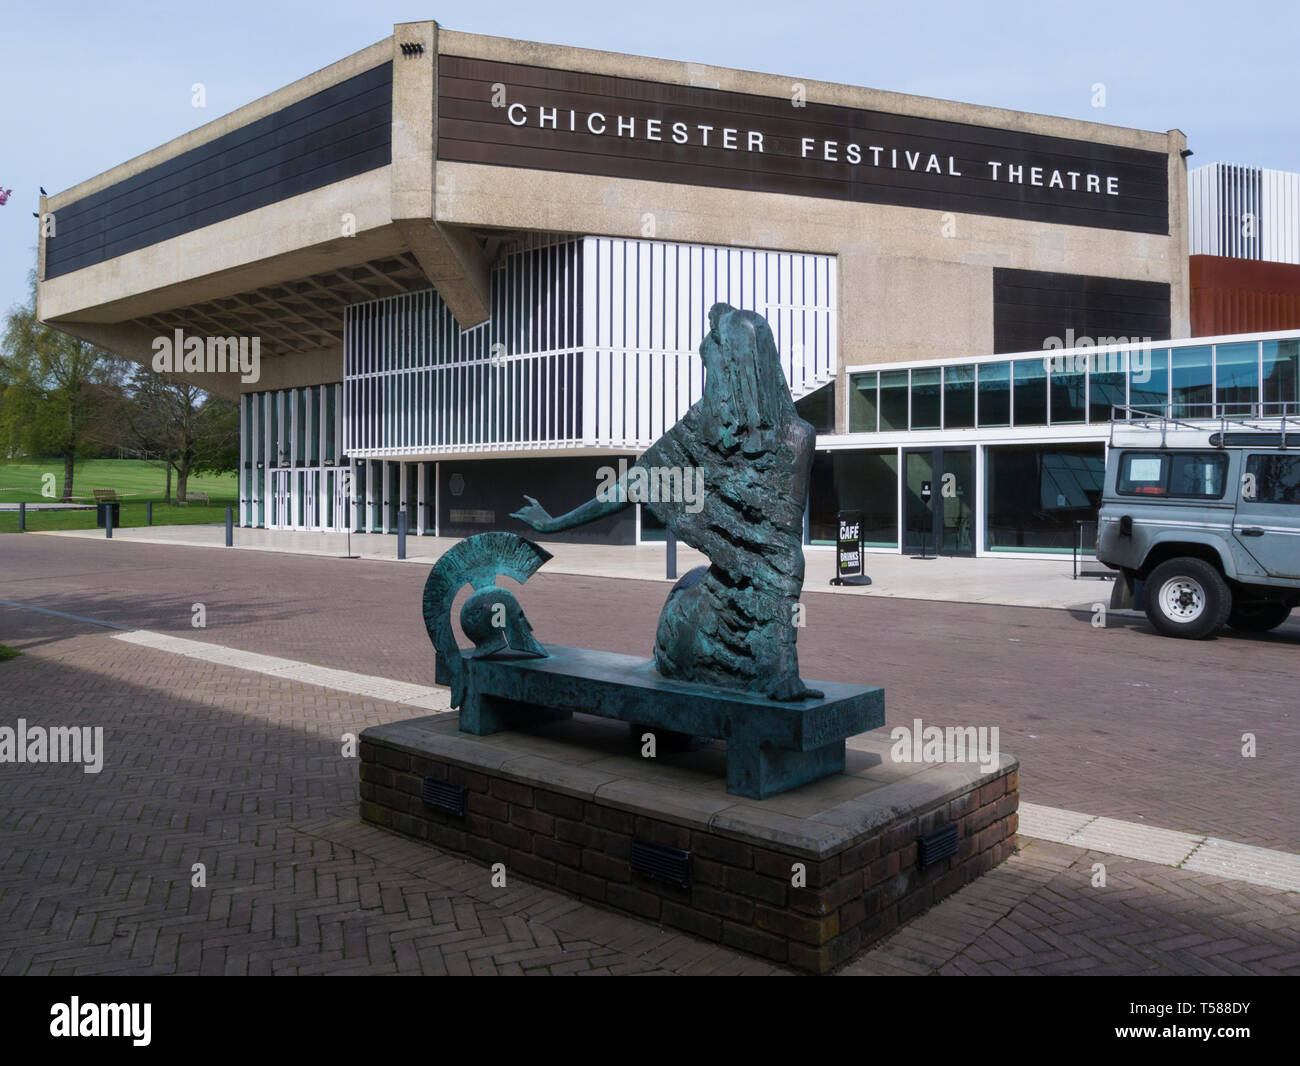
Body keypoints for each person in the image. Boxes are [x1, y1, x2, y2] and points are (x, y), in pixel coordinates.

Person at [511, 302, 821, 702]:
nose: (709, 374)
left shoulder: (796, 438)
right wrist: (554, 523)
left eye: (711, 362)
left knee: (699, 596)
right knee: (688, 599)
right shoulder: (701, 429)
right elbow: (631, 486)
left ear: (733, 364)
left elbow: (780, 553)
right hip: (710, 615)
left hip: (763, 612)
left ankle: (766, 668)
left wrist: (781, 663)